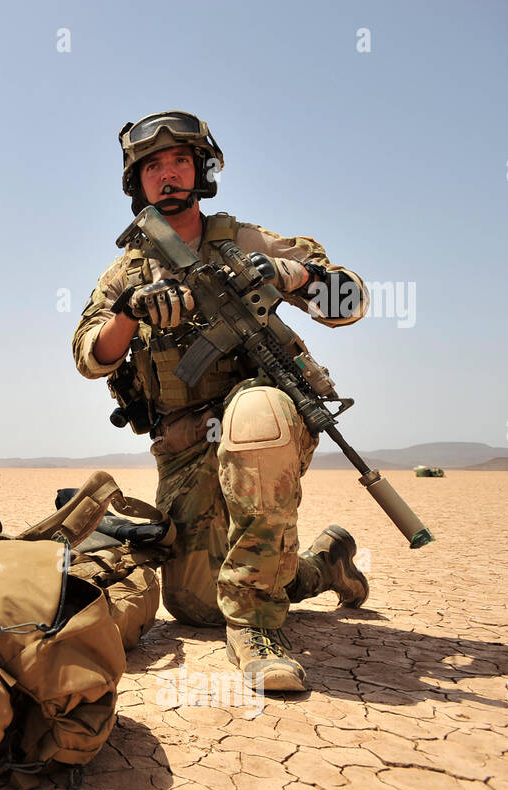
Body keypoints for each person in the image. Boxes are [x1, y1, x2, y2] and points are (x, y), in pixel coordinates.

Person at [71, 110, 370, 691]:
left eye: (180, 160)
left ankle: (258, 625)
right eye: (152, 166)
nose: (168, 175)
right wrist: (131, 311)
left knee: (254, 413)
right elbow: (89, 355)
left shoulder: (245, 241)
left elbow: (350, 302)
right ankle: (321, 564)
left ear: (202, 167)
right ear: (138, 183)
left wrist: (290, 275)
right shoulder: (125, 271)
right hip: (185, 447)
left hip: (265, 430)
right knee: (196, 606)